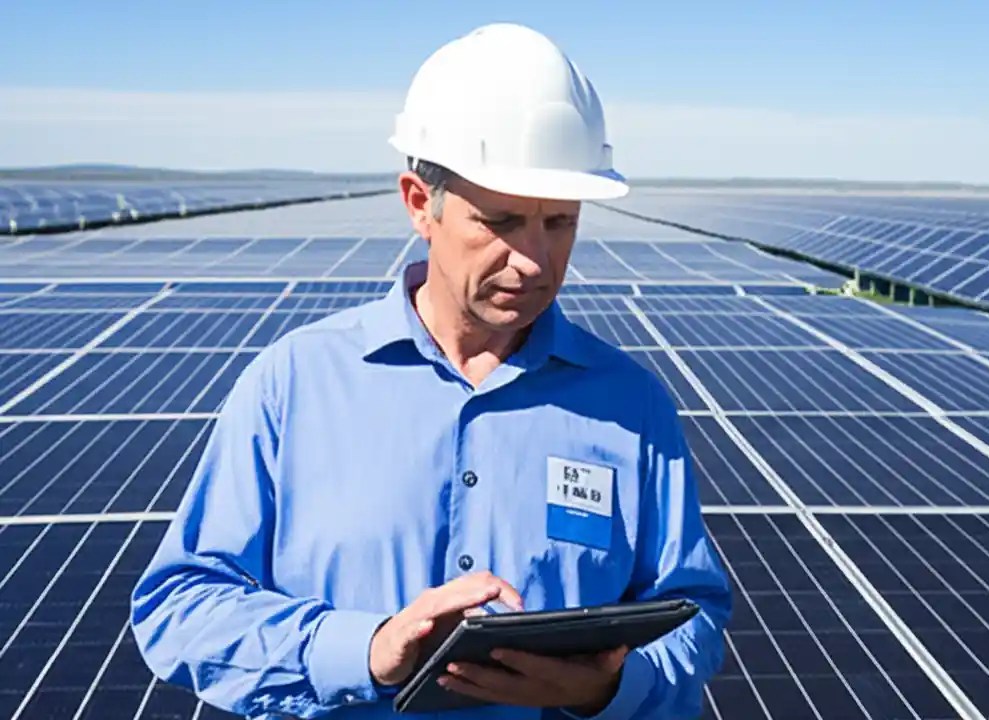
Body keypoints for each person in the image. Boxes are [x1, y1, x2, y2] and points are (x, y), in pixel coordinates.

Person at [129, 22, 732, 720]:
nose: (534, 260)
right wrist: (365, 649)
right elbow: (181, 606)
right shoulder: (293, 385)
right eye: (501, 221)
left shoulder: (631, 405)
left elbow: (693, 614)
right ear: (421, 204)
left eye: (560, 223)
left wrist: (606, 690)